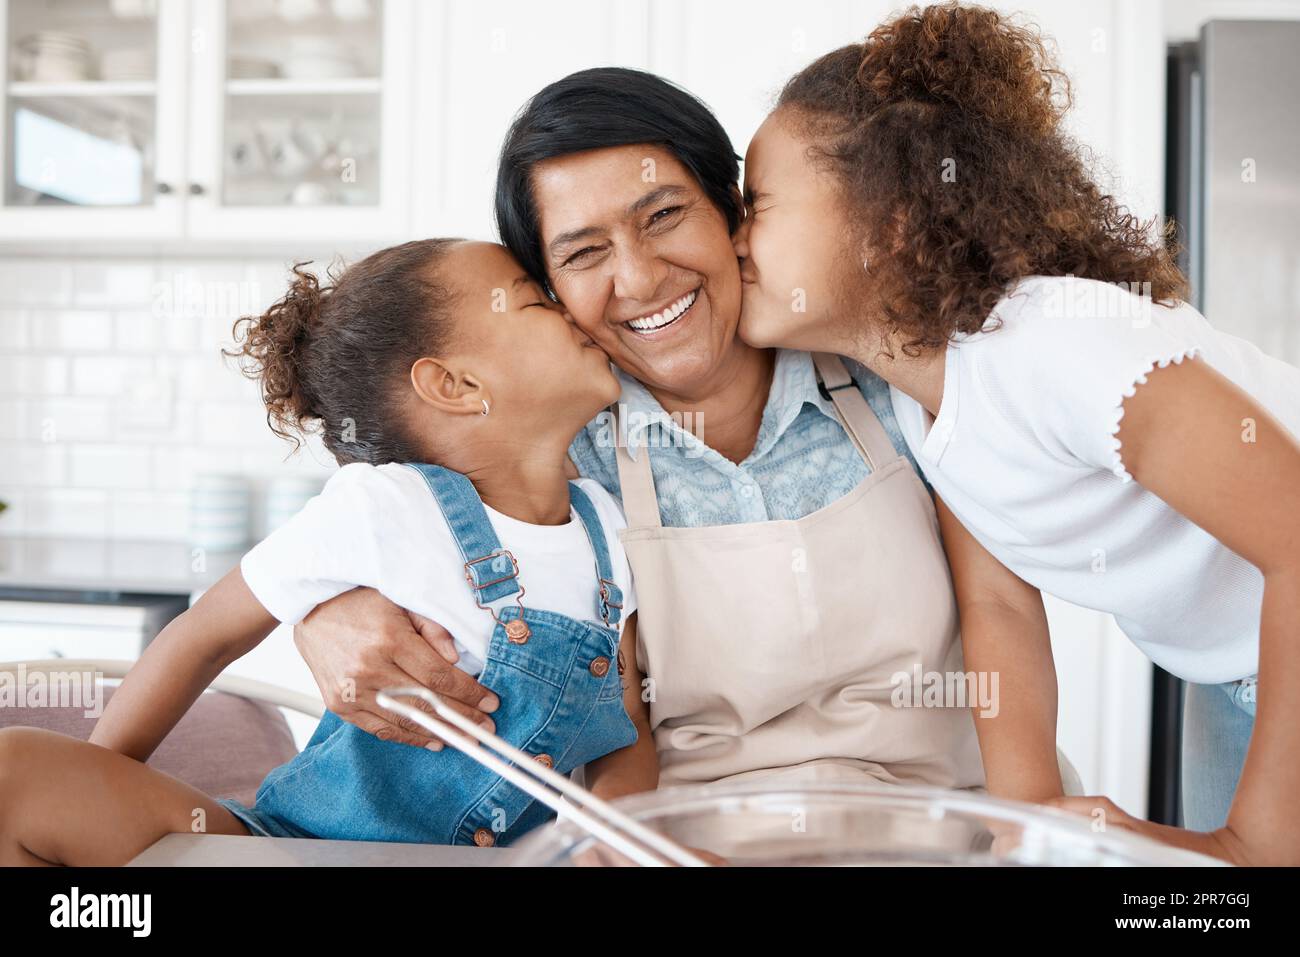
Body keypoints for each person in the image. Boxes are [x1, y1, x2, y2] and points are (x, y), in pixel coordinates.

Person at [292, 67, 987, 794]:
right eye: (584, 253)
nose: (642, 277)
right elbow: (381, 505)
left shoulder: (884, 369)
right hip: (700, 847)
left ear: (733, 210)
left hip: (944, 831)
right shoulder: (559, 452)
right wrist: (324, 606)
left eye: (662, 216)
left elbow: (1007, 595)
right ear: (552, 292)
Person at [732, 1, 1300, 865]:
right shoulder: (922, 397)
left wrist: (1256, 840)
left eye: (758, 204)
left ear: (888, 221)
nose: (735, 241)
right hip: (1236, 670)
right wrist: (1022, 821)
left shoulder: (1056, 343)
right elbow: (998, 605)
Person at [0, 239, 654, 863]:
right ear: (455, 385)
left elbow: (625, 730)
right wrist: (104, 779)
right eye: (535, 301)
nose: (571, 306)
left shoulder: (605, 532)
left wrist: (618, 842)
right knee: (16, 772)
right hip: (285, 849)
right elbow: (203, 636)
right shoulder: (385, 505)